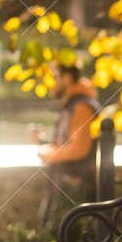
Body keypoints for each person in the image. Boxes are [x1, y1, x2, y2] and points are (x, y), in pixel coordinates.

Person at [30, 60, 101, 225]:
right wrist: (42, 142)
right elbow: (69, 143)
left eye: (55, 77)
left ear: (67, 78)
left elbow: (80, 149)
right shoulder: (73, 104)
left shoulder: (82, 106)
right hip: (68, 192)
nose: (50, 83)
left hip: (76, 194)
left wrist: (46, 154)